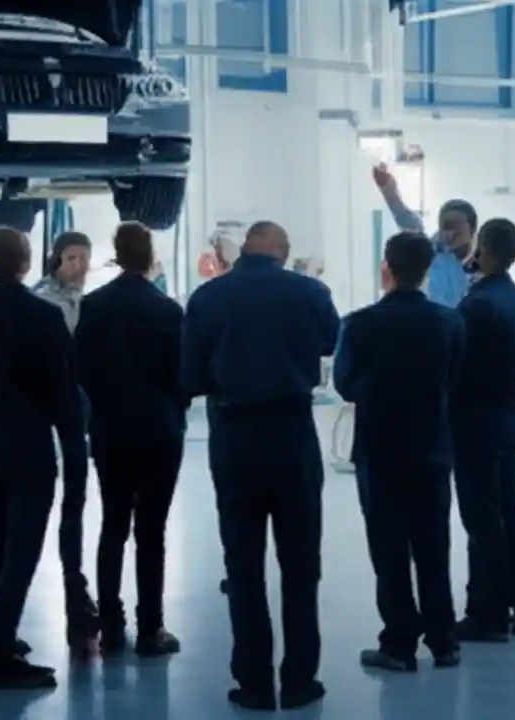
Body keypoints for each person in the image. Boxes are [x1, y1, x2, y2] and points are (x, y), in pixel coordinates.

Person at [181, 221, 338, 711]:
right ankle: (300, 680)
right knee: (301, 563)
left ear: (244, 249)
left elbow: (189, 377)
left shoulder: (207, 299)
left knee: (243, 564)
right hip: (292, 435)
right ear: (282, 253)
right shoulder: (310, 293)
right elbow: (330, 343)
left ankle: (253, 682)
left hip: (235, 437)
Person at [0, 228, 87, 689]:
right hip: (29, 448)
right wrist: (75, 451)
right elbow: (63, 393)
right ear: (26, 263)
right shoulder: (43, 317)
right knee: (21, 552)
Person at [335, 231, 466, 673]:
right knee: (433, 545)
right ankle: (444, 641)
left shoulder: (359, 324)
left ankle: (399, 643)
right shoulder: (450, 323)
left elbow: (345, 384)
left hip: (380, 450)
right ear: (427, 270)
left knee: (389, 549)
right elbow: (454, 378)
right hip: (432, 448)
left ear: (386, 268)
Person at [76, 223, 186, 657]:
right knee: (151, 531)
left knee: (113, 526)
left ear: (116, 254)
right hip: (159, 429)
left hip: (111, 429)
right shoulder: (167, 311)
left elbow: (81, 368)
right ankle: (150, 627)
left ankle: (111, 624)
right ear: (149, 255)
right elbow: (182, 374)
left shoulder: (94, 306)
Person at [451, 219, 515, 642]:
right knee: (509, 513)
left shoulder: (477, 306)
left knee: (482, 519)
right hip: (506, 418)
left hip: (475, 421)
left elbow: (458, 366)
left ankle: (486, 613)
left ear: (482, 247)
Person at [32, 230, 99, 648]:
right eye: (71, 258)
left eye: (83, 258)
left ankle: (77, 587)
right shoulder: (43, 302)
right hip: (48, 404)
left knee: (76, 497)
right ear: (56, 259)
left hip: (77, 405)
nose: (78, 266)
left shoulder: (85, 301)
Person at [371, 163, 475, 308]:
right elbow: (408, 222)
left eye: (456, 225)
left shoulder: (485, 262)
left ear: (472, 228)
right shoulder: (431, 252)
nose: (450, 232)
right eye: (446, 225)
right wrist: (389, 192)